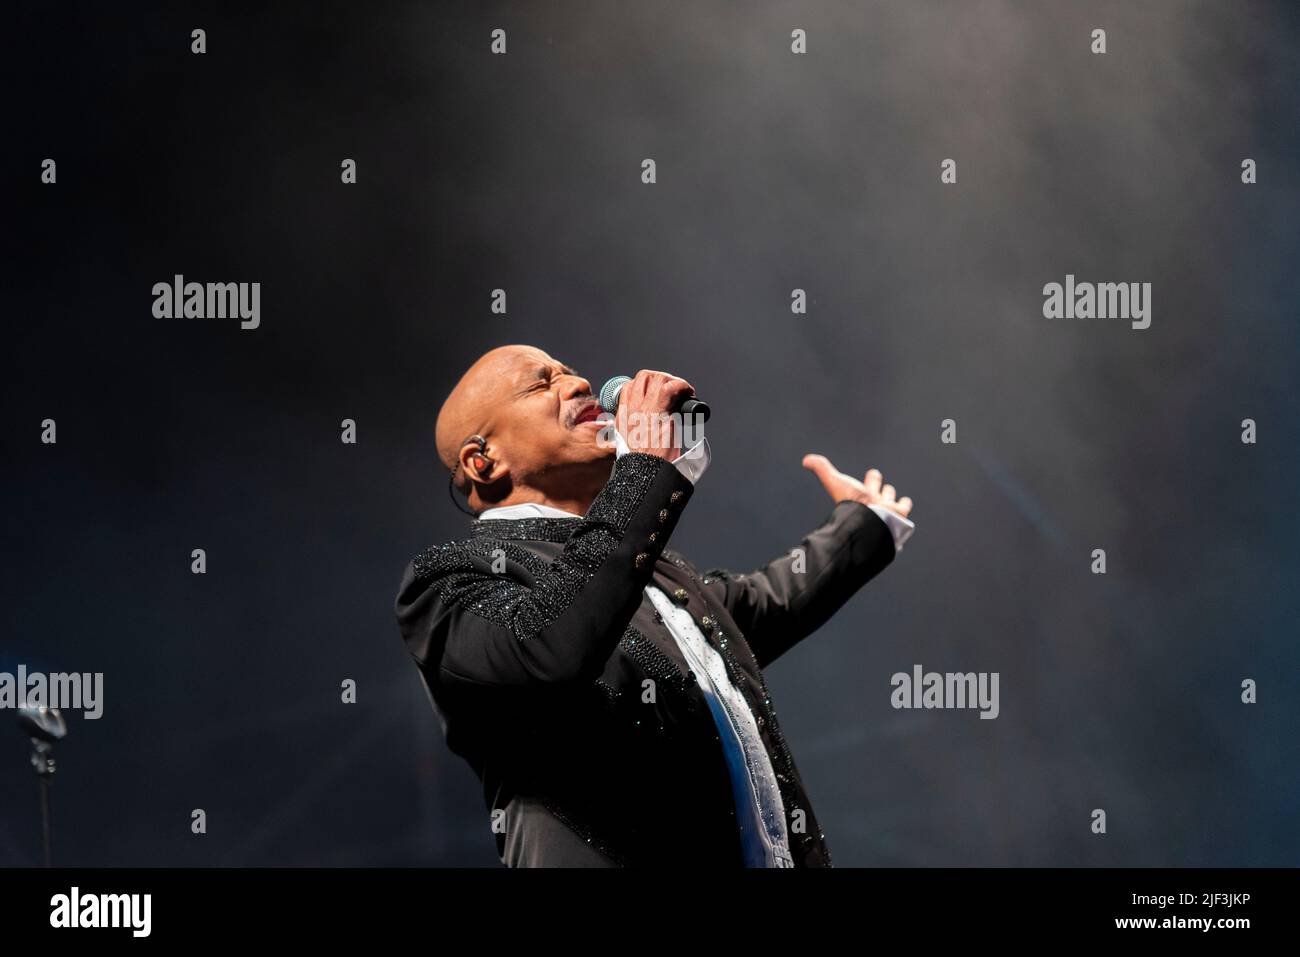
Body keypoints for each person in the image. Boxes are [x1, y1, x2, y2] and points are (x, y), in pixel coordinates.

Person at [394, 344, 914, 866]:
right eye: (541, 383)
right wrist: (644, 468)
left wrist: (865, 525)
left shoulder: (649, 574)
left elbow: (763, 604)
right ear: (482, 461)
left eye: (572, 373)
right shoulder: (448, 582)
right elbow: (549, 645)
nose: (578, 385)